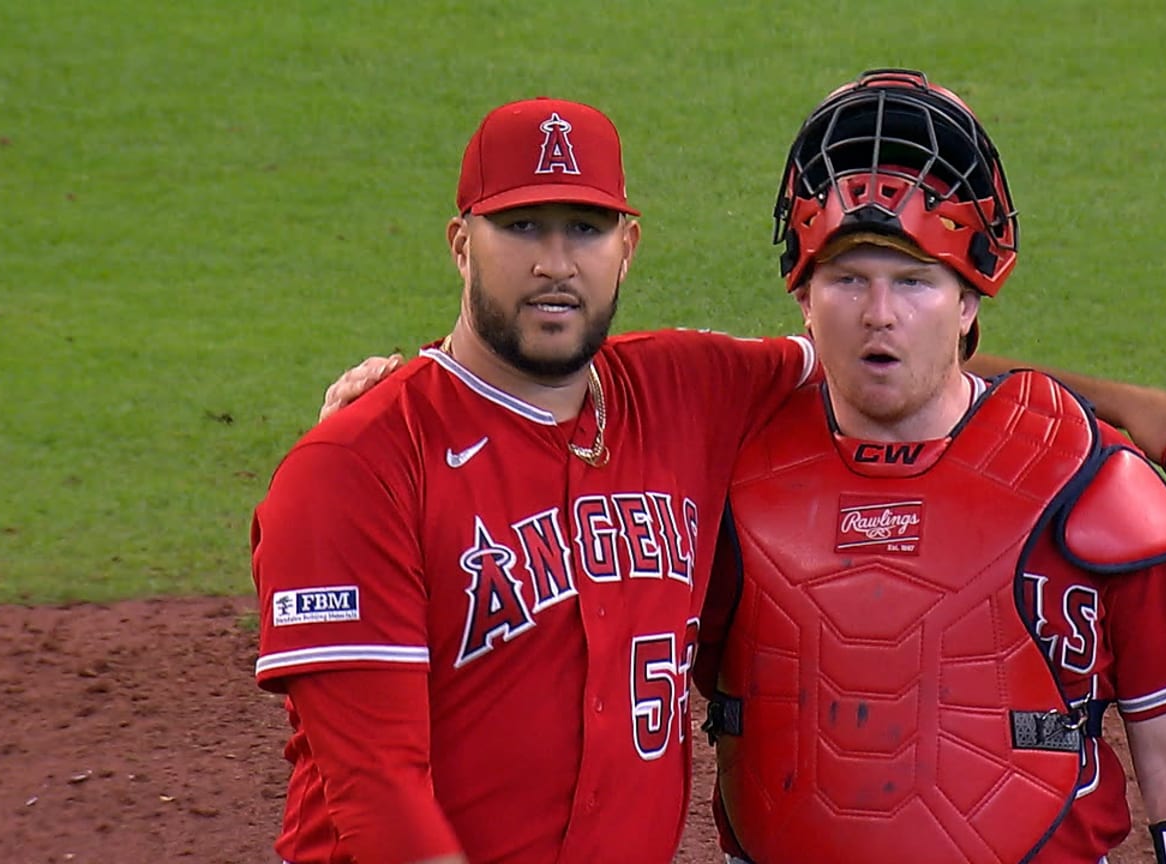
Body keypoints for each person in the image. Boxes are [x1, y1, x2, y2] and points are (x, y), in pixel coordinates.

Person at [316, 72, 1166, 864]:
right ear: (803, 299)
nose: (879, 315)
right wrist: (408, 405)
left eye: (917, 284)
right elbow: (530, 380)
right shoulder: (726, 455)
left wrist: (1159, 421)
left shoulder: (1093, 489)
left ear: (972, 304)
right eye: (848, 280)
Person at [251, 97, 821, 864]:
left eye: (584, 229)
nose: (556, 262)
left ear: (628, 246)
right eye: (521, 227)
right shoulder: (356, 467)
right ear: (461, 244)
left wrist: (1033, 412)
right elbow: (381, 798)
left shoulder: (690, 388)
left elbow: (883, 368)